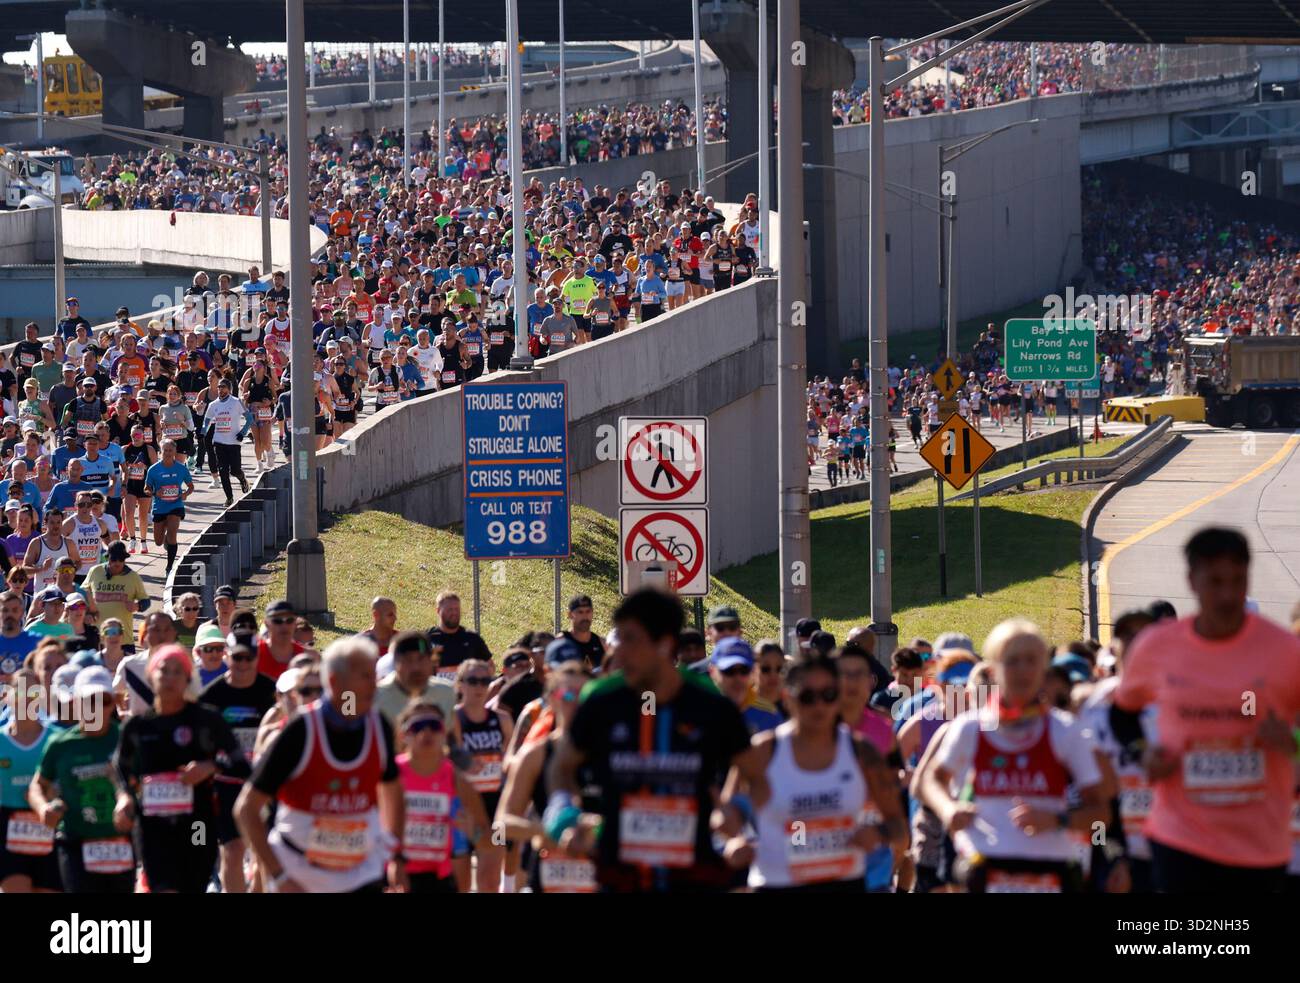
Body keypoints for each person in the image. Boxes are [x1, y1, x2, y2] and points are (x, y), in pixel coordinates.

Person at [1111, 527, 1300, 893]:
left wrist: (1292, 740)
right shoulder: (1157, 647)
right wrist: (1143, 752)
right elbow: (1122, 713)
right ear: (1191, 581)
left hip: (1260, 845)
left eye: (1237, 581)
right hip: (1180, 838)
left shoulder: (1284, 651)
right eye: (1215, 581)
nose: (1228, 595)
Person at [546, 588, 752, 892]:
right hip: (619, 877)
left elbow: (754, 768)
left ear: (664, 644)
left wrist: (737, 809)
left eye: (631, 640)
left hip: (693, 877)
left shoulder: (710, 703)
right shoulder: (601, 700)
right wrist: (564, 815)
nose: (618, 652)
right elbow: (561, 766)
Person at [918, 619, 1107, 893]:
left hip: (1051, 872)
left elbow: (1100, 814)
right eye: (1012, 661)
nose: (1023, 670)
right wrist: (948, 809)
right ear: (993, 670)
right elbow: (931, 781)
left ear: (1044, 669)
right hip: (984, 869)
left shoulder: (1065, 730)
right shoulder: (971, 727)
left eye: (1032, 661)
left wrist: (1058, 820)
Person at [715, 650, 908, 892]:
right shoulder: (764, 751)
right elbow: (726, 812)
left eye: (828, 695)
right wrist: (734, 838)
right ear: (787, 697)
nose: (819, 706)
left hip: (844, 882)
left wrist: (878, 833)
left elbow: (898, 825)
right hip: (777, 883)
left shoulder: (861, 752)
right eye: (808, 697)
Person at [235, 636, 404, 893]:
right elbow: (246, 809)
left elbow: (393, 793)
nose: (375, 685)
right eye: (365, 677)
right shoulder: (301, 730)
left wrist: (394, 853)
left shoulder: (379, 725)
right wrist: (279, 876)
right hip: (300, 873)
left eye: (374, 675)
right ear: (335, 683)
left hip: (360, 872)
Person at [112, 643, 247, 893]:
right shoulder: (138, 726)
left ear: (188, 678)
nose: (170, 678)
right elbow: (120, 767)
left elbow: (240, 764)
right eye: (164, 670)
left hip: (198, 824)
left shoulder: (207, 720)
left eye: (178, 672)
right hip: (154, 826)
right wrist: (124, 797)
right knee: (163, 887)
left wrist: (210, 767)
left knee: (192, 886)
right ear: (151, 676)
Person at [496, 661, 599, 893]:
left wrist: (597, 829)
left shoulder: (611, 754)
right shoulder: (534, 754)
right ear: (552, 698)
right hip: (548, 873)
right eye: (568, 695)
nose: (576, 703)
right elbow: (503, 822)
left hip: (600, 873)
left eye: (584, 696)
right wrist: (547, 831)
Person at [30, 666, 134, 893]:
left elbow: (144, 780)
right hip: (75, 841)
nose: (95, 709)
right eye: (88, 701)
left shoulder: (127, 738)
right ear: (75, 702)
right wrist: (43, 808)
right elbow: (38, 785)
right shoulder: (61, 744)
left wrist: (130, 801)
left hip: (122, 842)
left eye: (103, 701)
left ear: (113, 704)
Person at [198, 630, 277, 893]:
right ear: (227, 656)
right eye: (237, 657)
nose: (243, 664)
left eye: (249, 657)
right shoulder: (212, 695)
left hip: (263, 784)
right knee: (232, 850)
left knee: (262, 851)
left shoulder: (271, 691)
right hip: (225, 784)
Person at [392, 702, 486, 894]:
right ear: (404, 735)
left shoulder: (457, 779)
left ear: (444, 733)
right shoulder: (389, 775)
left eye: (434, 726)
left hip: (439, 879)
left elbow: (491, 840)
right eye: (417, 726)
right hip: (396, 875)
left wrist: (473, 834)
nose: (426, 732)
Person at [453, 658, 513, 892]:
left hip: (496, 808)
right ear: (460, 685)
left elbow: (509, 765)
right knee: (461, 883)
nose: (479, 687)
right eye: (473, 681)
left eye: (485, 681)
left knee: (490, 881)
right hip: (462, 809)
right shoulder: (453, 720)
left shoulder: (502, 720)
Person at [0, 667, 57, 892]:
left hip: (49, 828)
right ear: (9, 695)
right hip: (6, 827)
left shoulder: (55, 740)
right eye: (20, 690)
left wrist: (52, 793)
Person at [374, 630, 455, 728]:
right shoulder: (376, 699)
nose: (416, 667)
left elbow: (454, 738)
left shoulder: (446, 694)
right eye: (408, 660)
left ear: (432, 662)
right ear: (395, 663)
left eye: (421, 659)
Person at [142, 438, 194, 575]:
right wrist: (154, 492)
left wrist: (185, 494)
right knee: (158, 542)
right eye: (165, 450)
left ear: (175, 451)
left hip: (176, 505)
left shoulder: (181, 468)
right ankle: (166, 541)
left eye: (171, 450)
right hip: (159, 507)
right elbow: (146, 488)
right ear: (161, 452)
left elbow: (190, 486)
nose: (168, 453)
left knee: (172, 534)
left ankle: (169, 567)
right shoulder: (153, 470)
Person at [81, 541, 148, 641]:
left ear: (125, 559)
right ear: (108, 558)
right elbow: (82, 593)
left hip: (124, 639)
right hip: (97, 637)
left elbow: (146, 601)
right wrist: (87, 612)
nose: (117, 562)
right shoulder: (95, 571)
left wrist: (138, 606)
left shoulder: (133, 577)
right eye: (114, 559)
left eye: (121, 559)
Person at [202, 377, 250, 508]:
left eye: (223, 387)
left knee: (235, 470)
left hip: (234, 443)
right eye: (218, 387)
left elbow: (249, 418)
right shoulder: (213, 405)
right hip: (219, 442)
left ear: (229, 389)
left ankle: (242, 479)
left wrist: (243, 432)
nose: (220, 389)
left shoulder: (236, 402)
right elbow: (207, 420)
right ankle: (229, 498)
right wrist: (202, 432)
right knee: (223, 471)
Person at [426, 591, 491, 682]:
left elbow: (490, 666)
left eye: (456, 609)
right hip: (436, 694)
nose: (454, 613)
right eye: (449, 609)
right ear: (438, 610)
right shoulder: (427, 638)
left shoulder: (472, 638)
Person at [256, 599, 306, 682]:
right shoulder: (252, 657)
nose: (284, 625)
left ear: (295, 623)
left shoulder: (309, 657)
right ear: (267, 624)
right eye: (277, 621)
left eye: (289, 620)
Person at [560, 594, 605, 668]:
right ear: (570, 615)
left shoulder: (602, 644)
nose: (585, 616)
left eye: (588, 611)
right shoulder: (561, 642)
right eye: (580, 612)